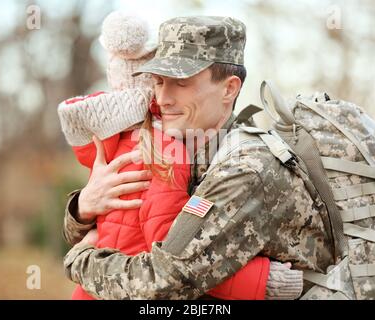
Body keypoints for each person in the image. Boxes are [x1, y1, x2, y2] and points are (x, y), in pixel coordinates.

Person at [63, 16, 330, 300]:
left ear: (229, 89)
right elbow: (122, 226)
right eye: (159, 81)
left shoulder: (244, 167)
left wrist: (80, 259)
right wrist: (82, 208)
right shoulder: (178, 147)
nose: (163, 98)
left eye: (181, 83)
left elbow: (166, 281)